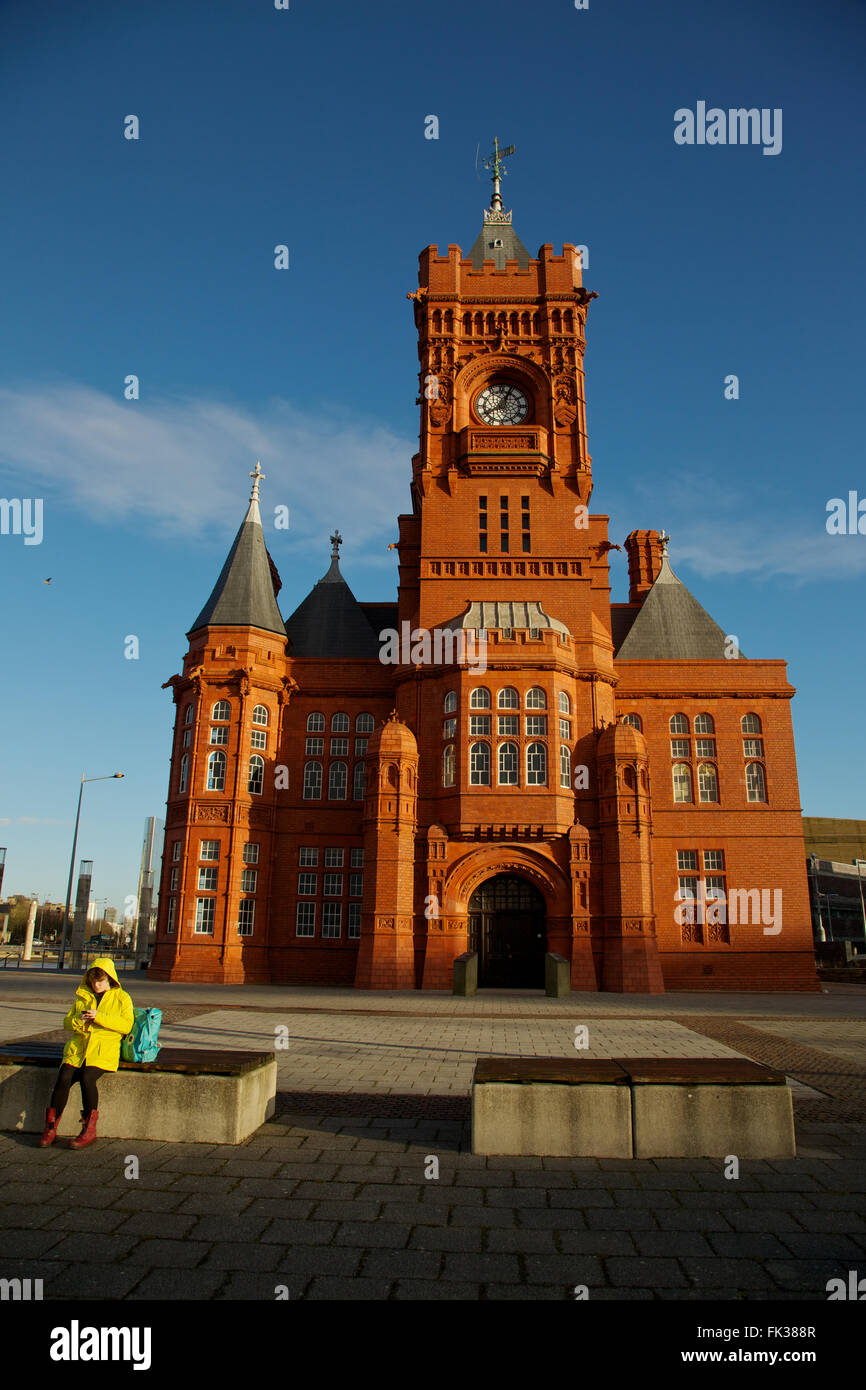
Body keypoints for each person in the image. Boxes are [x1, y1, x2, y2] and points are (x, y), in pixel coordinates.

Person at [38, 956, 134, 1149]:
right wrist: (78, 1021)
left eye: (100, 982)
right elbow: (66, 1022)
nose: (96, 985)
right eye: (93, 982)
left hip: (103, 1049)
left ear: (110, 979)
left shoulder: (122, 997)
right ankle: (50, 1127)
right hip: (79, 1049)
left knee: (87, 1078)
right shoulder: (83, 995)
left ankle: (89, 1129)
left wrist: (100, 1017)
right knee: (64, 1076)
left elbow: (126, 1025)